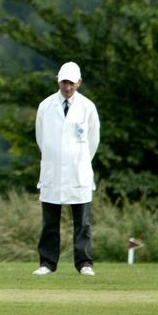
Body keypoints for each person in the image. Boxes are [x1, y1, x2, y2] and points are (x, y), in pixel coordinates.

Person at [33, 62, 100, 277]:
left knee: (82, 222)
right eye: (64, 82)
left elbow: (93, 139)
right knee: (50, 222)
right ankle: (47, 263)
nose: (67, 87)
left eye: (71, 83)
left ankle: (84, 263)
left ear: (78, 83)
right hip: (52, 171)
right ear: (58, 81)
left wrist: (78, 160)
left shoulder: (87, 107)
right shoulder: (45, 106)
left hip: (78, 171)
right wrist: (56, 158)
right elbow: (41, 138)